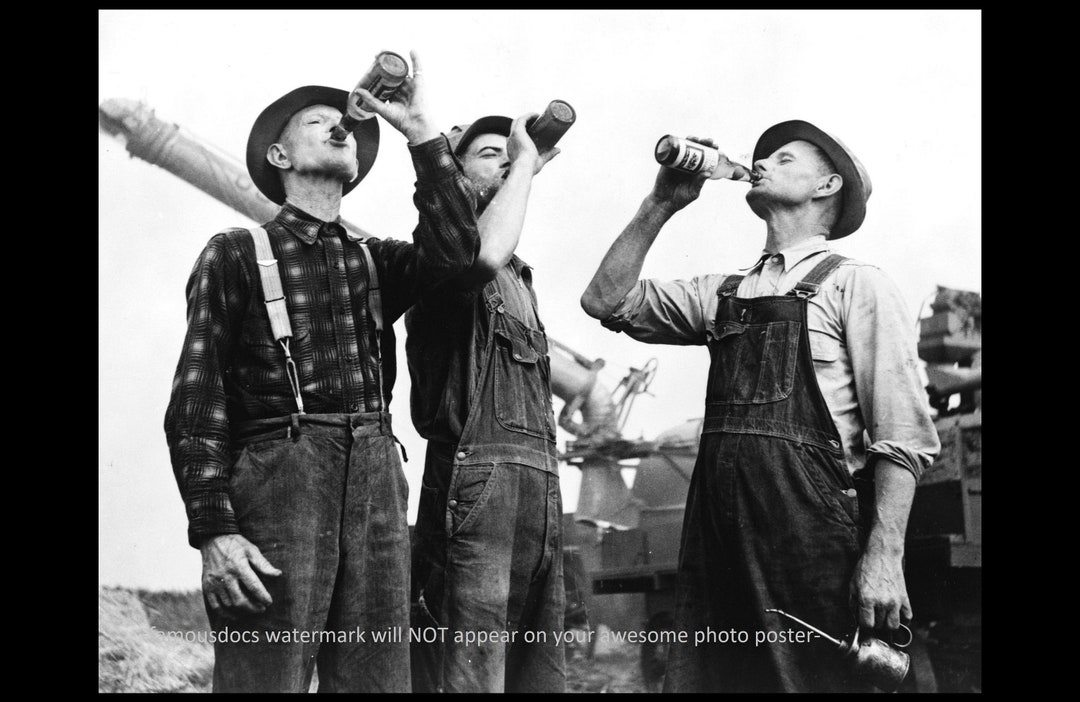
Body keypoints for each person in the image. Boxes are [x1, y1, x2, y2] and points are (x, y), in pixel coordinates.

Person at [579, 121, 940, 692]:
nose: (761, 163)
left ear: (826, 186)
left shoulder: (857, 285)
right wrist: (662, 202)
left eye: (784, 158)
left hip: (810, 540)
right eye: (762, 157)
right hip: (717, 540)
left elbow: (902, 439)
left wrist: (884, 557)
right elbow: (606, 299)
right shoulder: (722, 292)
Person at [163, 52, 480, 693]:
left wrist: (419, 130)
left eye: (348, 126)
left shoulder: (375, 261)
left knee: (379, 680)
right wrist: (216, 532)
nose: (339, 127)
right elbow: (197, 399)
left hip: (375, 481)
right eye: (316, 121)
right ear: (279, 159)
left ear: (358, 166)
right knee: (266, 678)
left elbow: (458, 256)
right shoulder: (237, 252)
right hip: (277, 479)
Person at [404, 113, 565, 692]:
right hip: (471, 490)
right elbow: (477, 254)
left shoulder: (520, 280)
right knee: (469, 677)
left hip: (536, 496)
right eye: (489, 152)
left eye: (511, 152)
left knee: (537, 675)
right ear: (453, 174)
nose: (506, 157)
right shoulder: (440, 262)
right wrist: (526, 161)